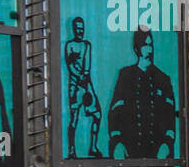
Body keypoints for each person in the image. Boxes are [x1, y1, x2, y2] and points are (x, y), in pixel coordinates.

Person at [108, 25, 176, 159]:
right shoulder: (125, 75)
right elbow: (115, 112)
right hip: (129, 148)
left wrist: (167, 144)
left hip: (157, 151)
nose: (149, 50)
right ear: (136, 48)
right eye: (145, 45)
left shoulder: (163, 78)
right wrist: (117, 143)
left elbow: (170, 116)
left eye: (151, 45)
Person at [64, 16, 101, 158]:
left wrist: (85, 78)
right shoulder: (69, 45)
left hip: (86, 85)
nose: (80, 31)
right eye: (77, 29)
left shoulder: (87, 45)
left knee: (97, 114)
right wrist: (80, 77)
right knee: (74, 118)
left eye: (82, 29)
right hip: (75, 86)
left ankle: (93, 147)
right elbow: (70, 65)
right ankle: (72, 150)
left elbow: (88, 63)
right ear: (73, 30)